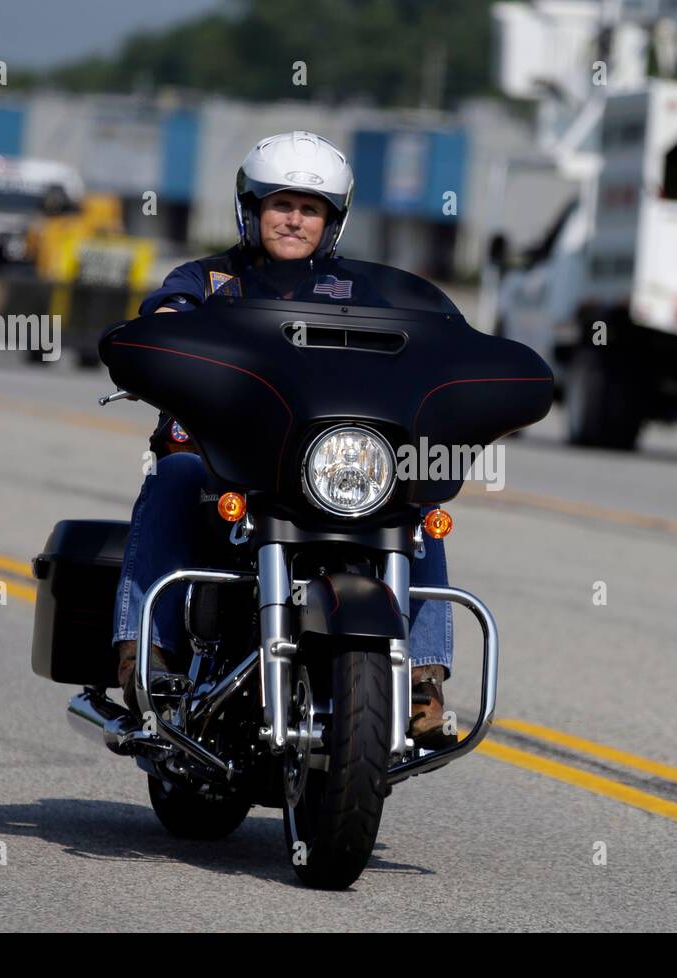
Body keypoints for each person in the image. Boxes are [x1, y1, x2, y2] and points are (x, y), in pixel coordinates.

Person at [112, 130, 453, 748]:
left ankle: (422, 679)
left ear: (332, 222)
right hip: (223, 461)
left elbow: (421, 347)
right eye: (281, 204)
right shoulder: (211, 279)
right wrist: (162, 333)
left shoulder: (361, 295)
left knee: (417, 497)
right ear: (251, 209)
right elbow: (164, 314)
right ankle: (146, 653)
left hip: (319, 464)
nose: (295, 220)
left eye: (311, 209)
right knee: (172, 476)